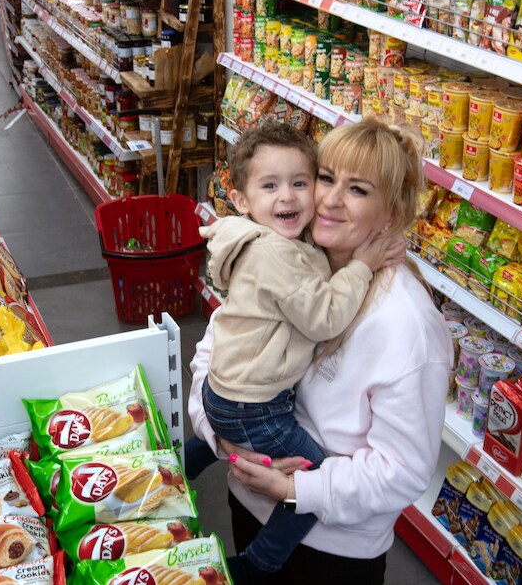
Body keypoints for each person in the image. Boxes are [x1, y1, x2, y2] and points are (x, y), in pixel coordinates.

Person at [188, 117, 453, 584]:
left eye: (358, 189)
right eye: (326, 178)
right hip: (247, 500)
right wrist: (220, 437)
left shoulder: (407, 323)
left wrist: (297, 488)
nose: (330, 199)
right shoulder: (287, 253)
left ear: (390, 214)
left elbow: (403, 471)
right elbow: (218, 347)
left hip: (330, 552)